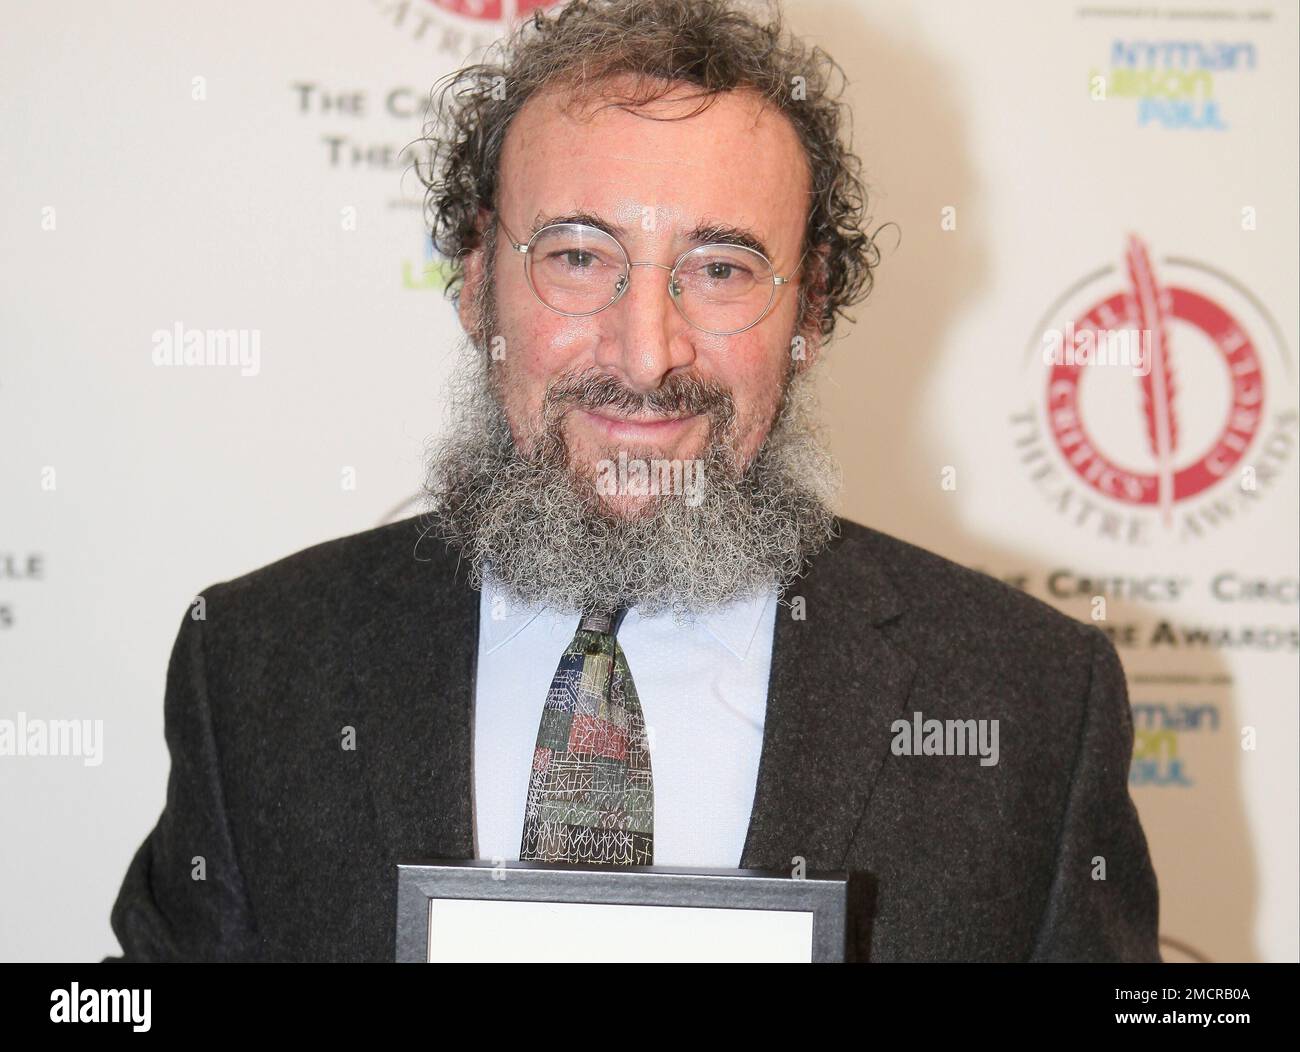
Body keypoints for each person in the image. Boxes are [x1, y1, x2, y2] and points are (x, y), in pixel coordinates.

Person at [104, 0, 1160, 962]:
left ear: (810, 315)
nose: (647, 354)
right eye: (576, 256)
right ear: (477, 285)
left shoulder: (1026, 700)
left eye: (721, 270)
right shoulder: (256, 662)